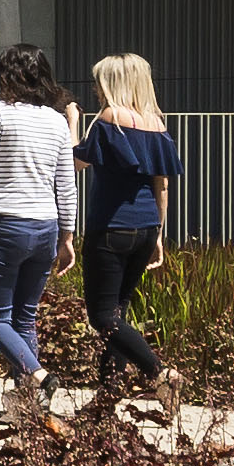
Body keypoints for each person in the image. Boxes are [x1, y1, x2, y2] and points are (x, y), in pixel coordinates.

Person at [0, 46, 78, 413]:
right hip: (46, 227)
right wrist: (68, 236)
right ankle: (26, 404)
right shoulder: (57, 121)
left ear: (6, 76)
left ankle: (38, 375)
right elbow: (66, 183)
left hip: (6, 223)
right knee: (24, 318)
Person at [76, 52, 184, 398]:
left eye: (99, 82)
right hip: (147, 227)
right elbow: (162, 185)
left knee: (102, 317)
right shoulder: (157, 124)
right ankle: (106, 399)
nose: (95, 89)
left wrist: (71, 123)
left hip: (110, 228)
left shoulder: (110, 119)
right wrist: (159, 235)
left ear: (113, 84)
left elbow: (75, 161)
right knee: (117, 314)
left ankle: (160, 372)